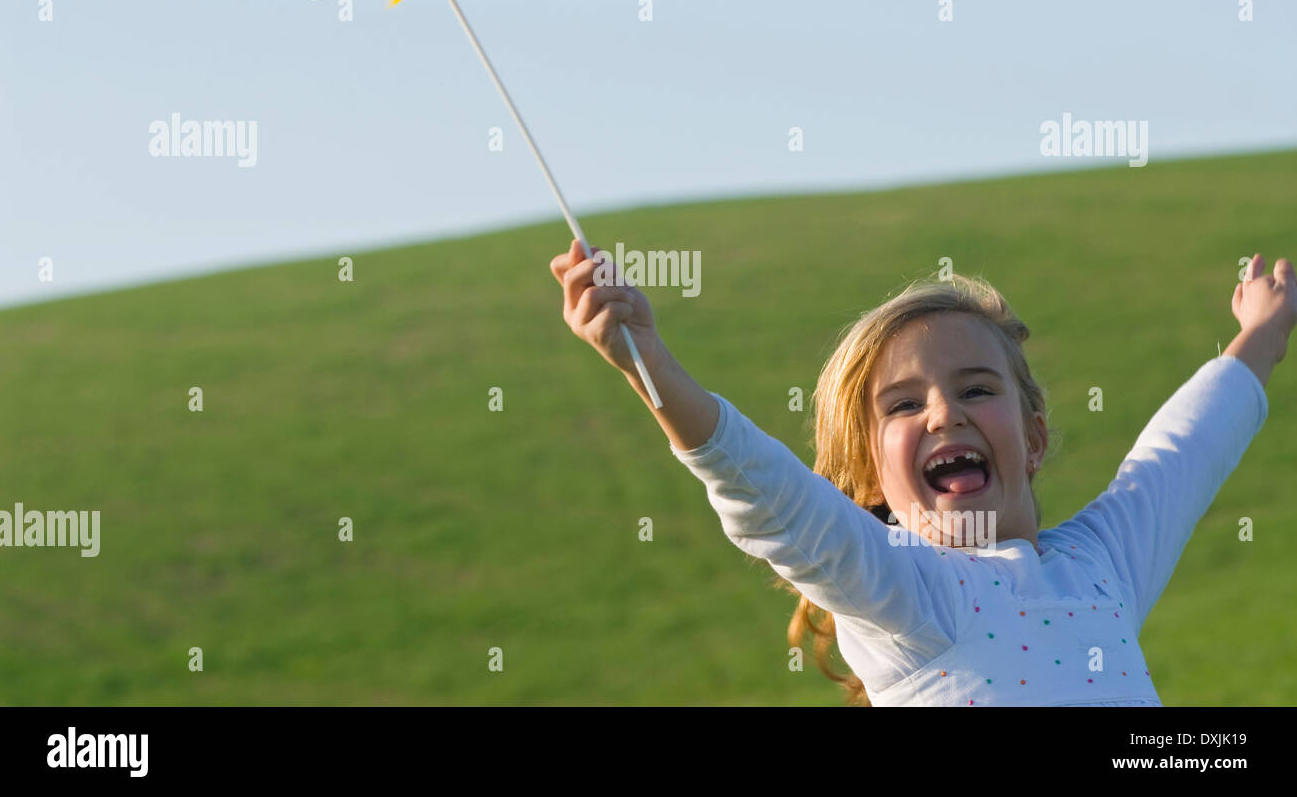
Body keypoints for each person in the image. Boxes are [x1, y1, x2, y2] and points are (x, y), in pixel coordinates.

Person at [549, 242, 1295, 705]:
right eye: (905, 405)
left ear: (1033, 439)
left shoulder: (1100, 566)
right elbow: (768, 496)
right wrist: (646, 360)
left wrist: (1260, 333)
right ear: (871, 481)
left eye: (976, 389)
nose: (945, 414)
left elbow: (1185, 451)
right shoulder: (905, 591)